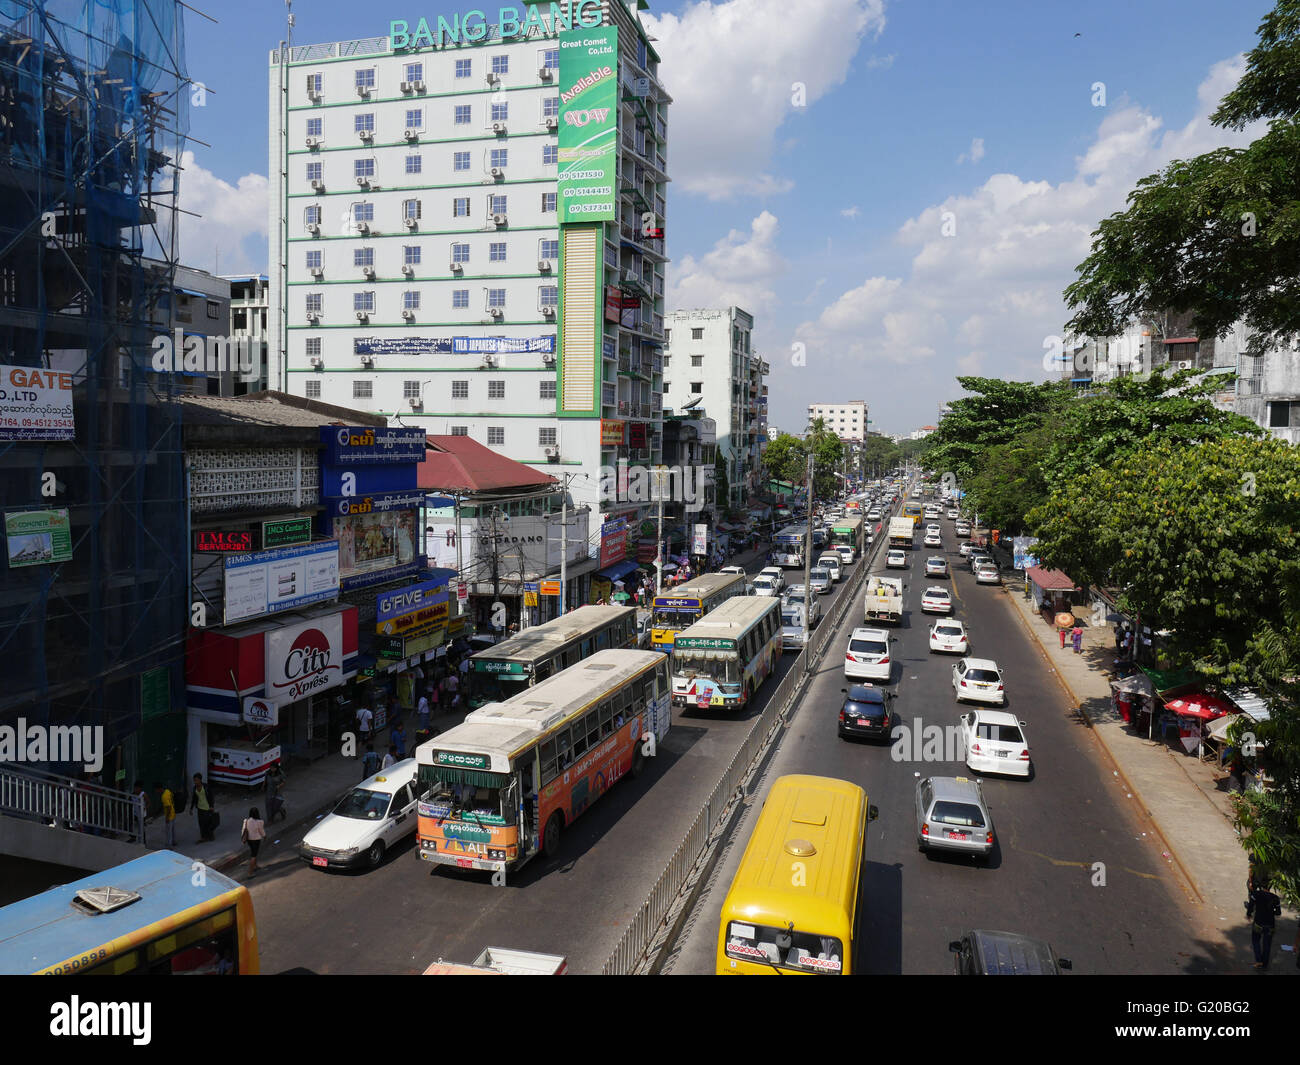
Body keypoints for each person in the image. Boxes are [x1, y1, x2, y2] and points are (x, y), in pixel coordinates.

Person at [1246, 877, 1283, 969]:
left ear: (1261, 886)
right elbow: (1278, 913)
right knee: (1267, 945)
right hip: (1270, 925)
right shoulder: (1275, 898)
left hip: (1258, 923)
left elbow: (1250, 906)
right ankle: (1264, 965)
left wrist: (1249, 914)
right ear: (1270, 887)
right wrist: (1271, 912)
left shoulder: (1256, 894)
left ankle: (1259, 961)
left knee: (1255, 941)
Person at [241, 807, 266, 877]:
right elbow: (261, 831)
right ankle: (250, 873)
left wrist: (243, 838)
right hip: (256, 840)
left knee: (253, 852)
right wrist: (264, 836)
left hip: (249, 840)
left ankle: (255, 866)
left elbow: (243, 830)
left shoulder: (246, 821)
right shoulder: (260, 822)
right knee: (254, 855)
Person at [191, 773, 216, 842]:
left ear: (200, 780)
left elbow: (211, 796)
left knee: (208, 823)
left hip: (207, 808)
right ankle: (203, 837)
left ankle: (210, 836)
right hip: (199, 808)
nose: (195, 782)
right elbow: (194, 798)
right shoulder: (194, 788)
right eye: (194, 780)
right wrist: (191, 808)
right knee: (201, 823)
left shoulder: (206, 787)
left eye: (196, 780)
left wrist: (211, 806)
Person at [154, 781, 176, 847]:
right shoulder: (167, 791)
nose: (156, 791)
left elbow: (168, 807)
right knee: (172, 830)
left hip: (169, 815)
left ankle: (169, 846)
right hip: (173, 813)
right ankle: (173, 842)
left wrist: (167, 818)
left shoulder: (164, 797)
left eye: (156, 790)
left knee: (168, 832)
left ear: (159, 789)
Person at [132, 780, 149, 846]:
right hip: (135, 814)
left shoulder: (143, 794)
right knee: (136, 828)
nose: (136, 789)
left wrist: (145, 808)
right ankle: (136, 840)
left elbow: (148, 802)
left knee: (141, 829)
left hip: (142, 815)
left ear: (140, 788)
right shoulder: (133, 794)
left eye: (137, 788)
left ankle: (143, 842)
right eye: (135, 788)